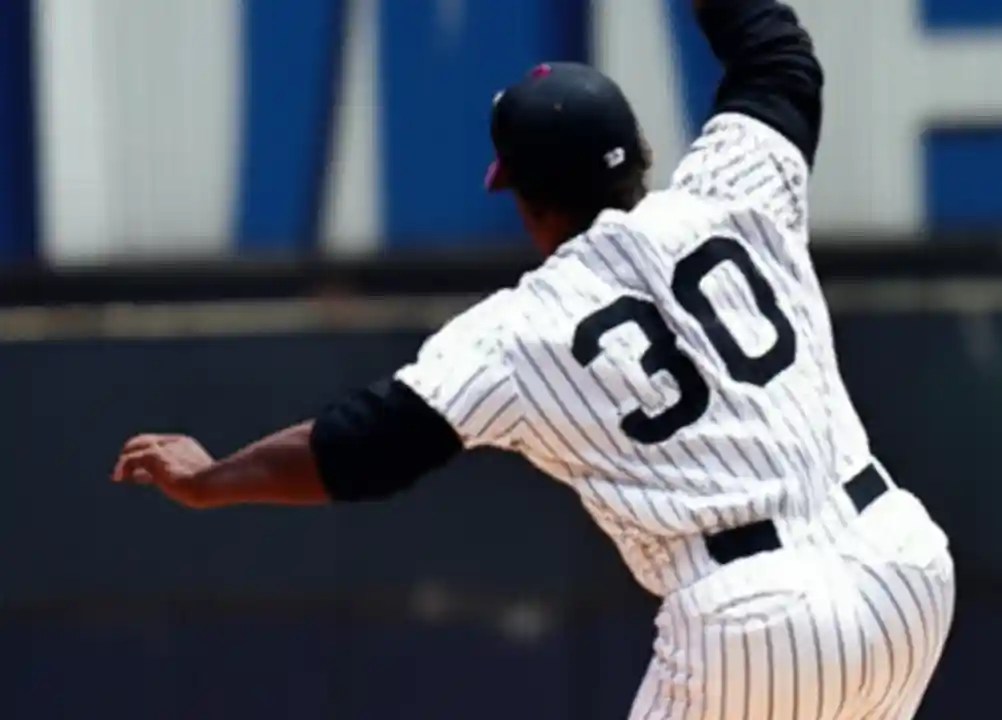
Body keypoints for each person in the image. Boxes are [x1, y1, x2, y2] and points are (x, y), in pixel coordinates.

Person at [113, 1, 955, 717]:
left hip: (755, 618)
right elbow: (777, 59)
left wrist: (212, 476)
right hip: (900, 563)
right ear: (641, 154)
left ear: (527, 202)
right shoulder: (738, 192)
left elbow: (361, 445)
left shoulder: (523, 331)